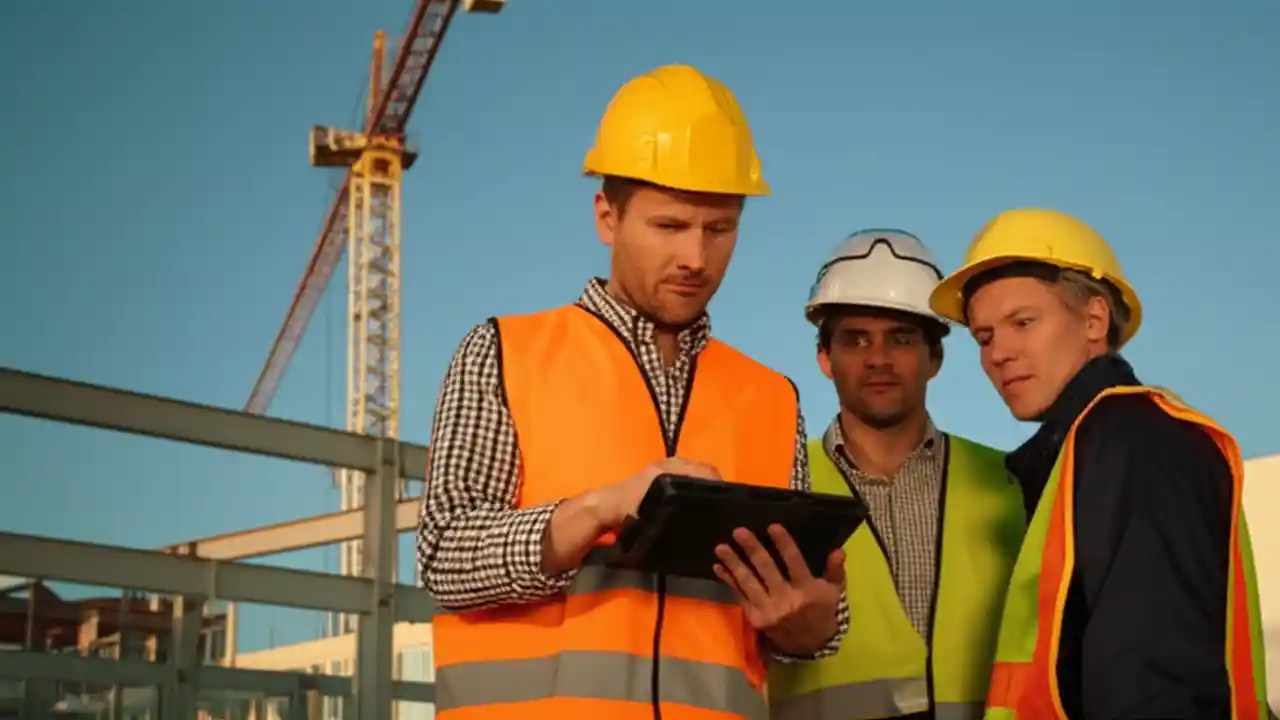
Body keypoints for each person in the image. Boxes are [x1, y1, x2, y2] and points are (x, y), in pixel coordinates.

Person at [416, 63, 849, 720]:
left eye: (720, 228)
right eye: (670, 226)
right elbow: (447, 556)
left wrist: (812, 626)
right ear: (606, 217)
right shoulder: (503, 352)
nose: (697, 258)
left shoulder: (772, 397)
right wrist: (602, 509)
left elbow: (788, 632)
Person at [927, 207, 1270, 719]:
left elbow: (1153, 682)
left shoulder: (1134, 440)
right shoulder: (1085, 448)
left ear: (1094, 320)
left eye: (1023, 322)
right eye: (985, 337)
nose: (999, 353)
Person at [767, 230, 1027, 720]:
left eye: (901, 339)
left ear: (936, 358)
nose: (879, 359)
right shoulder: (777, 482)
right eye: (856, 339)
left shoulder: (1012, 484)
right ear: (825, 358)